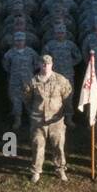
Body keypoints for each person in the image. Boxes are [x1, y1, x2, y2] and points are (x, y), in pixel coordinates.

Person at [24, 53, 72, 182]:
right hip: (38, 120)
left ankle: (60, 169)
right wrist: (35, 112)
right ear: (39, 64)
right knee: (37, 145)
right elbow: (27, 99)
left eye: (48, 64)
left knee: (58, 146)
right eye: (43, 64)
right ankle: (36, 171)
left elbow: (67, 96)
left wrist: (66, 113)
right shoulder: (33, 81)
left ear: (52, 64)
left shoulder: (61, 80)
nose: (46, 66)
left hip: (56, 120)